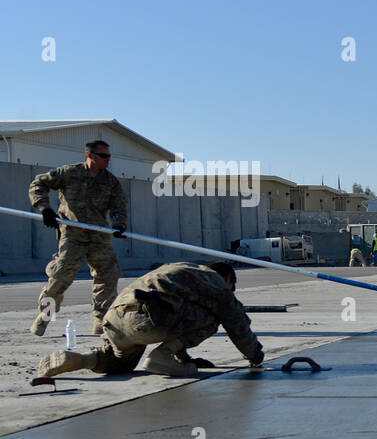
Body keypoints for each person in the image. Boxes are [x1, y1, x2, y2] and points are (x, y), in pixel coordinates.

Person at [35, 261, 263, 379]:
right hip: (148, 315)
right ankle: (161, 357)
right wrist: (255, 355)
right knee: (215, 316)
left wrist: (184, 358)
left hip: (116, 319)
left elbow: (179, 311)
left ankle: (83, 360)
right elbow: (236, 321)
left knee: (118, 363)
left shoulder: (182, 270)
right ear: (229, 279)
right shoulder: (215, 281)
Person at [28, 140, 128, 337]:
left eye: (109, 156)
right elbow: (38, 184)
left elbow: (119, 206)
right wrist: (45, 209)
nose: (108, 160)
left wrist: (119, 225)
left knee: (107, 276)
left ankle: (101, 320)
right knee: (60, 277)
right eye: (104, 156)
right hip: (72, 234)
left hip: (99, 235)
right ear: (91, 156)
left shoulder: (111, 181)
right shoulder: (69, 173)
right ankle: (45, 316)